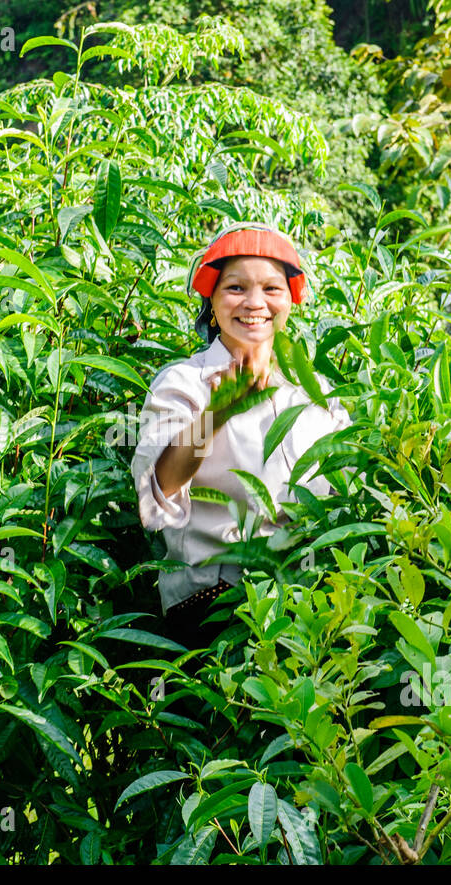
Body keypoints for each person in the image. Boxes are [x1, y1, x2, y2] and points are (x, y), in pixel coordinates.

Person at [131, 222, 352, 651]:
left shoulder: (316, 392)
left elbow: (348, 490)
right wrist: (216, 415)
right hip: (213, 606)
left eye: (271, 289)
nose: (254, 302)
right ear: (211, 304)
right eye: (236, 288)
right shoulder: (184, 382)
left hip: (308, 607)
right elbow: (159, 491)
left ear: (290, 301)